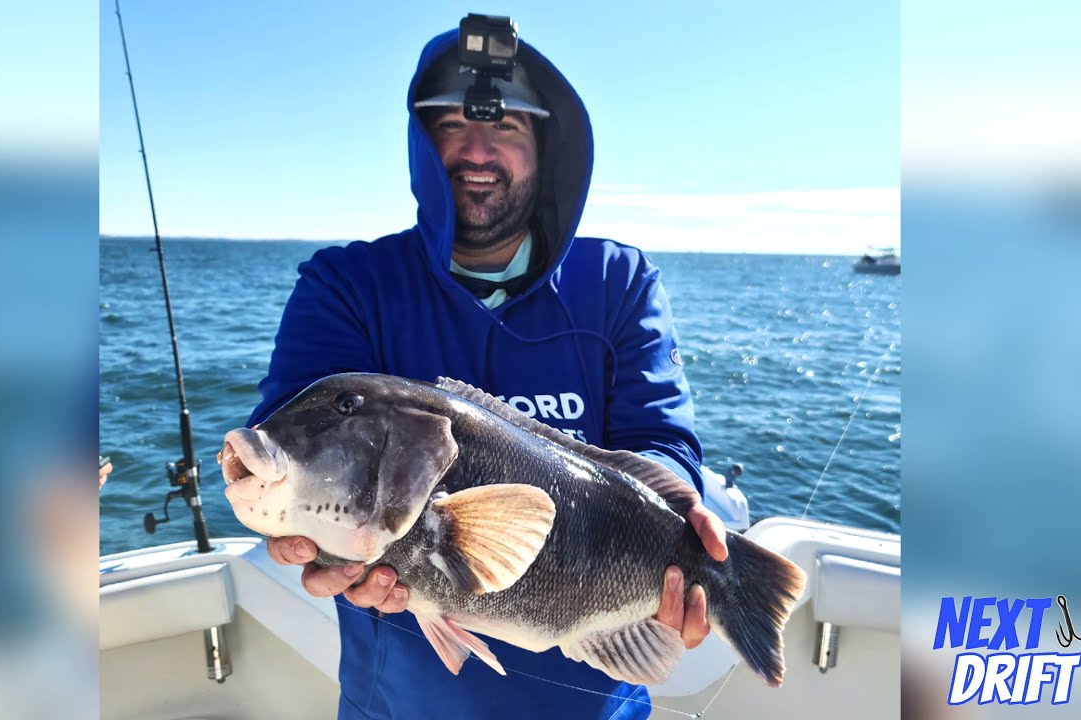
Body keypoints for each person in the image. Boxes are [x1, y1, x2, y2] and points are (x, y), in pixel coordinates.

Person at [246, 27, 729, 720]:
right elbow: (296, 443)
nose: (477, 151)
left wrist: (682, 535)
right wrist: (313, 541)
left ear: (545, 145)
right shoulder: (344, 286)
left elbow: (661, 442)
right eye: (449, 125)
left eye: (504, 126)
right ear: (421, 142)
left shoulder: (620, 282)